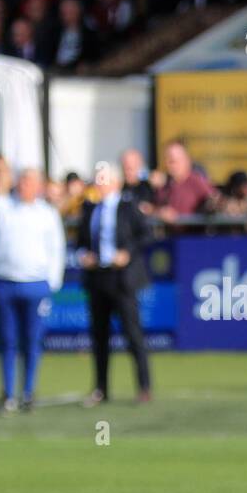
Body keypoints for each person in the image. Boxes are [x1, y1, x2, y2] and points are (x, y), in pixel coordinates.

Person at [0, 166, 66, 411]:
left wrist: (53, 283)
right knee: (7, 339)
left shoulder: (47, 213)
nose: (25, 185)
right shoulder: (4, 205)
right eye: (22, 181)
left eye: (30, 182)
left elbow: (56, 249)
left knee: (32, 339)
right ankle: (8, 392)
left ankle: (28, 391)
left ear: (38, 186)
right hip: (4, 283)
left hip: (35, 284)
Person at [76, 162, 152, 405]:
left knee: (132, 333)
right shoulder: (90, 209)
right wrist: (83, 255)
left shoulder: (128, 207)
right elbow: (80, 241)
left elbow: (146, 234)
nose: (99, 183)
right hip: (98, 277)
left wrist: (126, 253)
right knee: (99, 336)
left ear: (116, 182)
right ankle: (101, 388)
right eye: (98, 179)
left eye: (104, 179)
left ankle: (144, 387)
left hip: (122, 278)